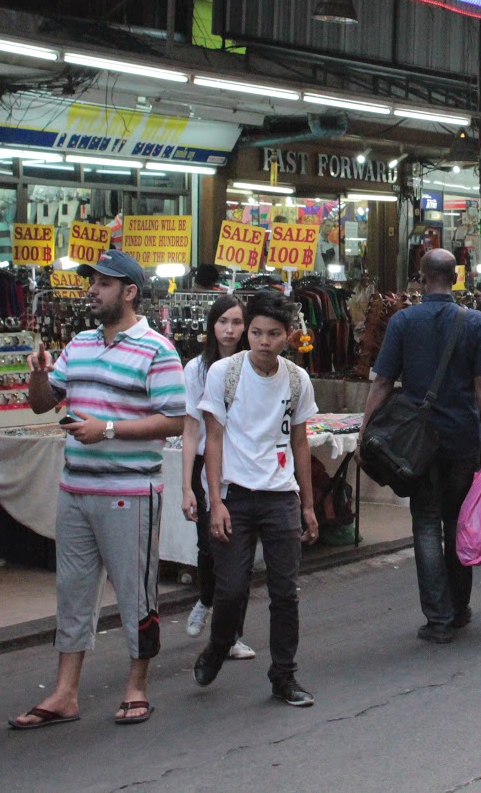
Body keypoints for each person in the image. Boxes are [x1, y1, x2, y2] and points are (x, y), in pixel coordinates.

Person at [11, 250, 186, 730]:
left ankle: (136, 686)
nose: (93, 290)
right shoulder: (79, 343)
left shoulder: (157, 349)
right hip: (76, 488)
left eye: (104, 283)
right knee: (73, 593)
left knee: (136, 593)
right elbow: (45, 405)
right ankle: (65, 692)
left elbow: (173, 419)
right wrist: (40, 373)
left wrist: (107, 429)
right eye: (93, 282)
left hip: (130, 490)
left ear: (129, 292)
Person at [362, 248, 481, 644]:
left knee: (425, 522)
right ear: (455, 278)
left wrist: (364, 431)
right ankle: (460, 610)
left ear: (421, 278)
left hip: (415, 444)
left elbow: (383, 382)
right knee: (457, 522)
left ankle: (437, 619)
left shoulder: (403, 321)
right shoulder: (475, 323)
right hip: (460, 439)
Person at [192, 292, 319, 707]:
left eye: (274, 334)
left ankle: (284, 675)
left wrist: (308, 505)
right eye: (256, 332)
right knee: (230, 590)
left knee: (286, 593)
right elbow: (213, 437)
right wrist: (216, 500)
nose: (263, 341)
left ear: (288, 336)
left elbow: (301, 443)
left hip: (281, 496)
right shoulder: (224, 374)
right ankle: (218, 645)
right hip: (235, 497)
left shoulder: (298, 380)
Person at [178, 294, 255, 662]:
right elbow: (190, 430)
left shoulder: (255, 366)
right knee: (209, 546)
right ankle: (206, 598)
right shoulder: (196, 369)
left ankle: (230, 634)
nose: (229, 329)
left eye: (236, 322)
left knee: (237, 555)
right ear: (212, 324)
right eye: (223, 321)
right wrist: (185, 487)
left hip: (241, 469)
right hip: (204, 469)